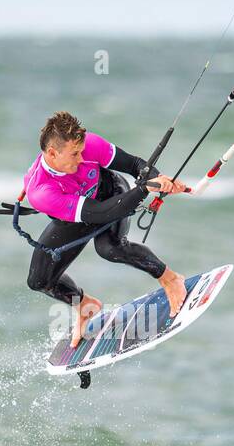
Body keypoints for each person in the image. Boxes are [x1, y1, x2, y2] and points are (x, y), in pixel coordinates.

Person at [24, 111, 190, 347]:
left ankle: (170, 279)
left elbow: (134, 165)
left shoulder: (88, 144)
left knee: (110, 248)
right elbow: (101, 214)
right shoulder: (42, 192)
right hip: (81, 213)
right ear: (52, 153)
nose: (81, 158)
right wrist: (144, 190)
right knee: (39, 281)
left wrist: (157, 179)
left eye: (81, 151)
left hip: (111, 191)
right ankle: (84, 306)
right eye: (75, 154)